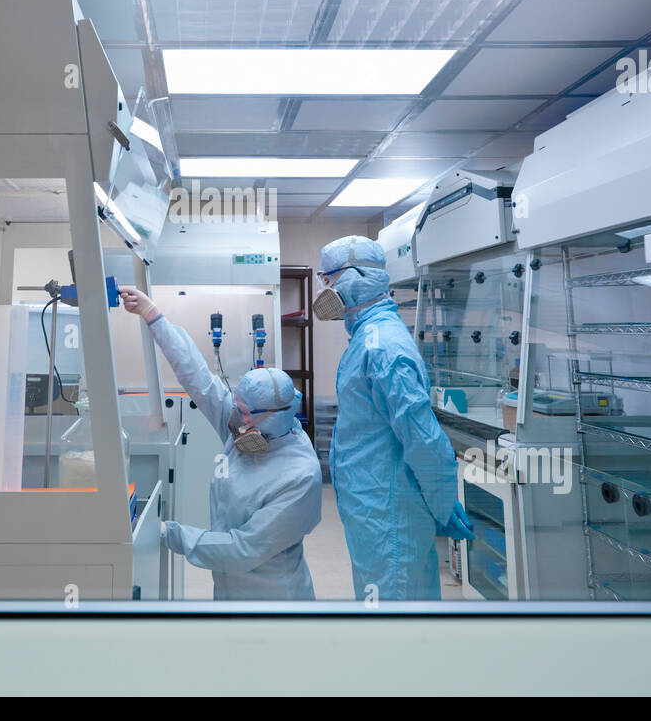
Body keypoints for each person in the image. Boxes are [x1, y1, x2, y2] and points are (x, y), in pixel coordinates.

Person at [118, 286, 322, 600]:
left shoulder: (300, 476)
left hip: (275, 603)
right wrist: (152, 314)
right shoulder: (242, 426)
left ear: (266, 418)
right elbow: (196, 375)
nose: (231, 415)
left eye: (240, 410)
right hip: (229, 589)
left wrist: (168, 534)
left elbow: (243, 548)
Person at [315, 235, 473, 600]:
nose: (325, 290)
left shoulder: (383, 346)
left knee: (396, 616)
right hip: (375, 511)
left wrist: (443, 501)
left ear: (353, 278)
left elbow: (422, 438)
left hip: (389, 516)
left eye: (329, 279)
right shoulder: (366, 339)